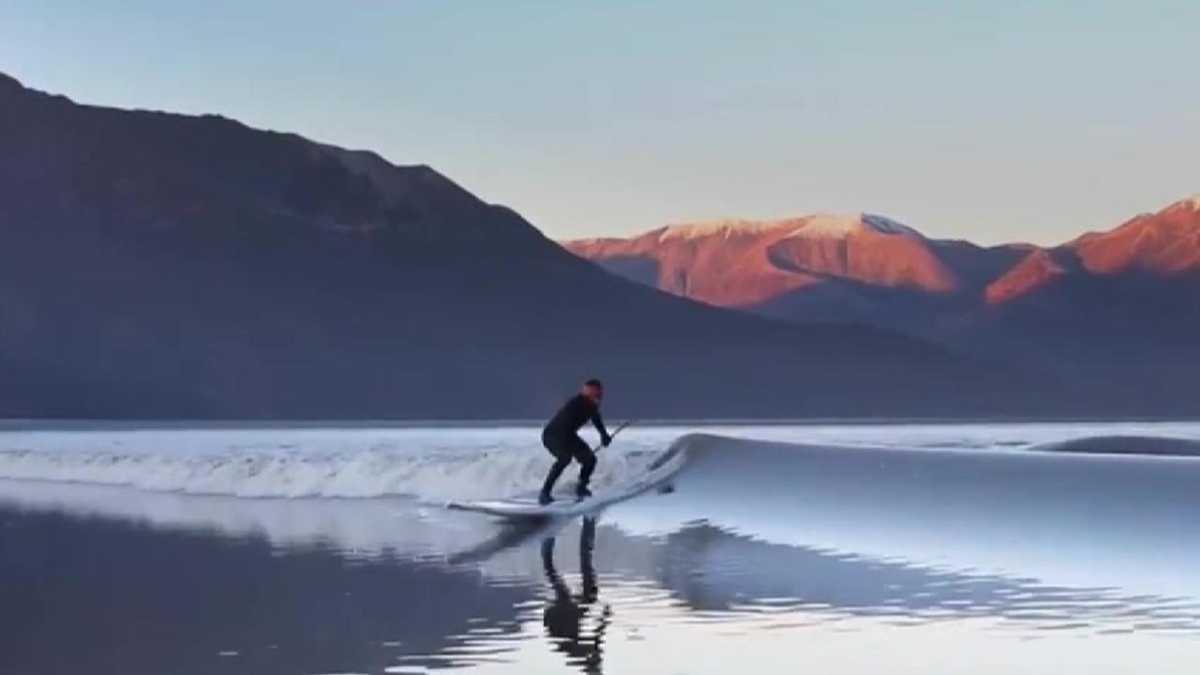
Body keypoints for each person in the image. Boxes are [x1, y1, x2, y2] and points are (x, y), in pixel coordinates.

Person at [539, 379, 611, 505]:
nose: (599, 396)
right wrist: (573, 451)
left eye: (599, 393)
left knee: (590, 460)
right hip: (552, 435)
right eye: (595, 393)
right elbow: (563, 425)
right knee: (564, 458)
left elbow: (596, 419)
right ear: (587, 391)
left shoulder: (591, 405)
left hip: (568, 435)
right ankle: (544, 493)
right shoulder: (578, 403)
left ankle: (581, 488)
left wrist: (604, 435)